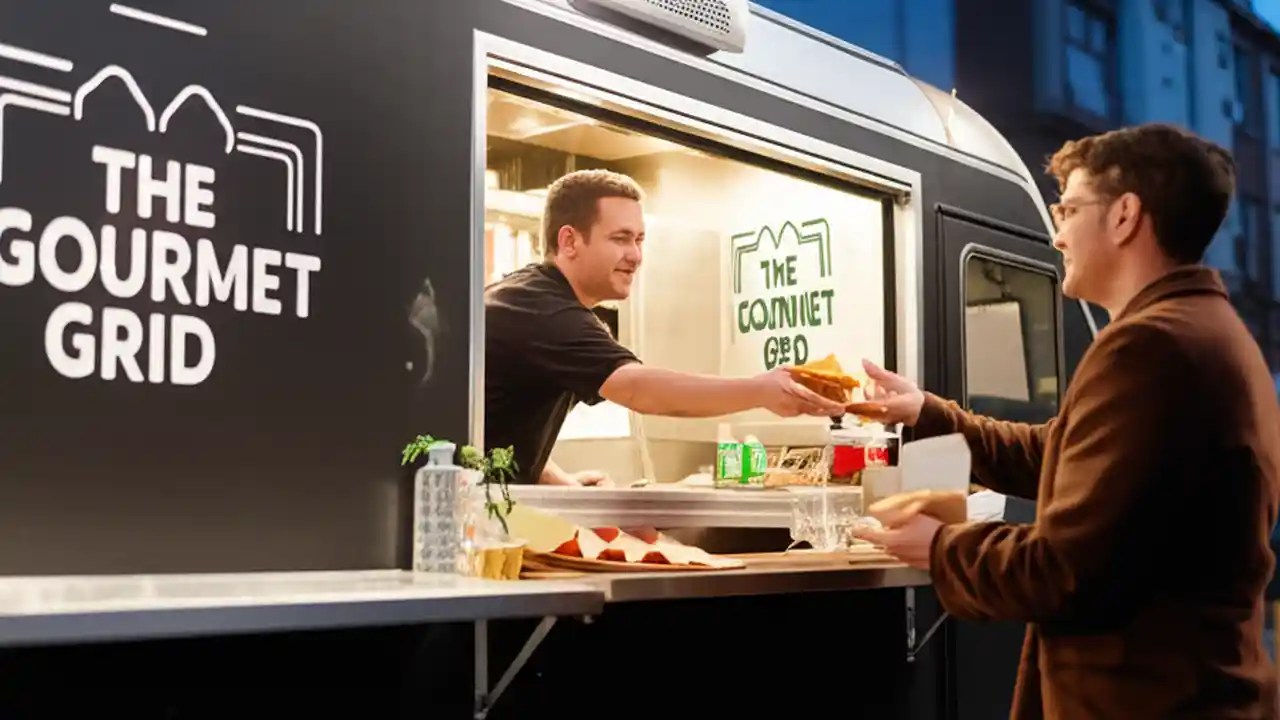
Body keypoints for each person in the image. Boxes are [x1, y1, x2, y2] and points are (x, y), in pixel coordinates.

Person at [857, 123, 1280, 718]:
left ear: (1126, 215)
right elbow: (1059, 454)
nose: (1057, 236)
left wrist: (942, 547)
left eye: (1070, 209)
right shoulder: (1203, 331)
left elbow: (1065, 569)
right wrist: (928, 413)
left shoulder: (1152, 347)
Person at [484, 169, 844, 486]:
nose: (636, 256)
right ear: (569, 241)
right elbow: (641, 390)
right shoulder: (544, 311)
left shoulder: (531, 297)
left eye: (639, 240)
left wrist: (563, 485)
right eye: (620, 238)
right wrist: (761, 391)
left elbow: (501, 434)